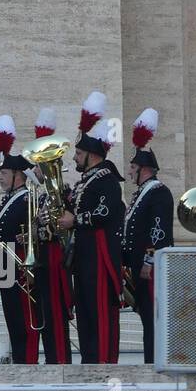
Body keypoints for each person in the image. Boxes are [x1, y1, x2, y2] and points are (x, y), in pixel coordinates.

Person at [61, 91, 124, 365]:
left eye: (78, 152)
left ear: (92, 154)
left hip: (99, 258)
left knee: (99, 312)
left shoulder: (106, 179)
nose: (74, 157)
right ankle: (90, 361)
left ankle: (102, 364)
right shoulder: (86, 181)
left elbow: (105, 212)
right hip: (84, 258)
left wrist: (75, 220)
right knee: (86, 312)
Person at [121, 108, 173, 363]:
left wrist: (149, 261)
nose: (129, 172)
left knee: (155, 316)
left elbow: (158, 230)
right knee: (146, 316)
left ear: (143, 168)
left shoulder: (158, 192)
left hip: (151, 268)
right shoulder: (142, 193)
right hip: (138, 268)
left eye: (132, 167)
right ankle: (150, 360)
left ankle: (156, 361)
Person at [0, 115, 38, 364]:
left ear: (19, 174)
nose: (0, 177)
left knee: (24, 319)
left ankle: (27, 361)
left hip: (20, 267)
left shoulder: (26, 198)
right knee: (13, 320)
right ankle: (20, 360)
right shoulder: (9, 200)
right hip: (6, 266)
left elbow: (32, 230)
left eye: (4, 172)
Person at [28, 107, 72, 364]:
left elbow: (59, 226)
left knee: (55, 313)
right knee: (46, 312)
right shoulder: (42, 195)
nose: (33, 170)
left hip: (56, 259)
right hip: (44, 259)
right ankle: (53, 356)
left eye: (37, 165)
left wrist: (40, 229)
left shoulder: (62, 192)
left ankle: (60, 359)